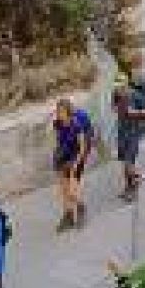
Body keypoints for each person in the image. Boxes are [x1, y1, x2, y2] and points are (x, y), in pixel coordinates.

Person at [50, 97, 92, 232]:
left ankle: (81, 208)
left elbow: (82, 147)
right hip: (63, 156)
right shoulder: (57, 123)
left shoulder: (76, 125)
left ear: (68, 112)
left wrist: (76, 163)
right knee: (64, 189)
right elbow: (58, 139)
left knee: (72, 191)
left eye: (61, 111)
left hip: (76, 156)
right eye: (57, 111)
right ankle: (68, 215)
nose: (58, 114)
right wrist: (58, 155)